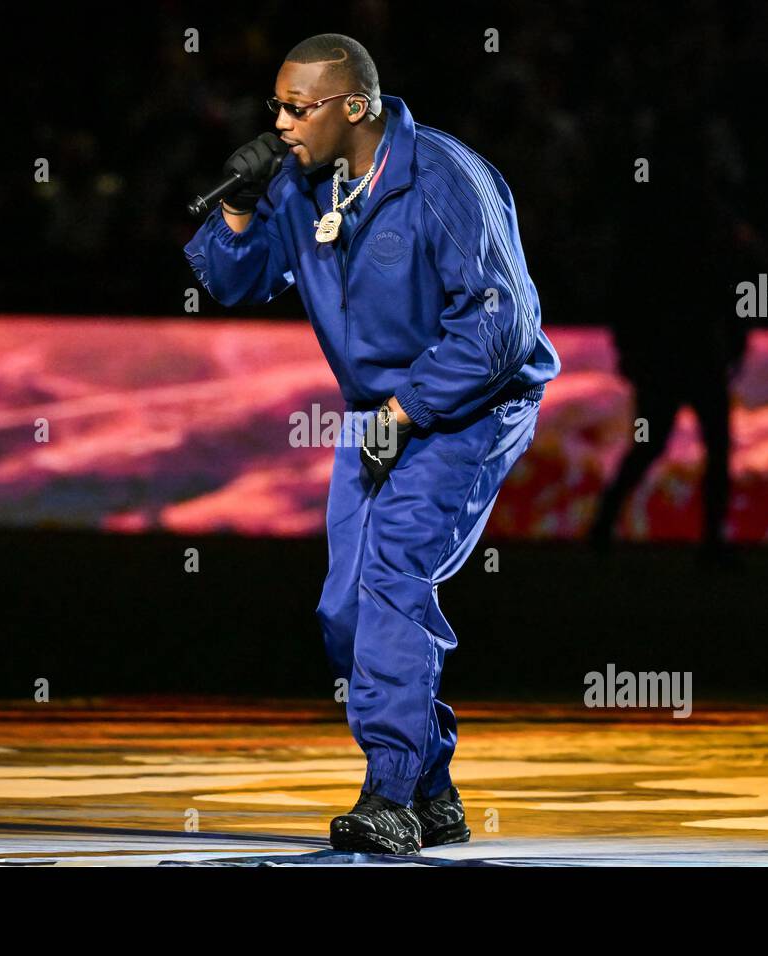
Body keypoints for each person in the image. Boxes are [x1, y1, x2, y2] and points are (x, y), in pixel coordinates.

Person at [184, 33, 559, 854]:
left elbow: (502, 322)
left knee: (393, 569)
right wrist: (240, 207)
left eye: (297, 106)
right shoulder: (299, 183)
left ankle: (388, 793)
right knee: (344, 608)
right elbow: (236, 279)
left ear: (356, 106)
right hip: (377, 414)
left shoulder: (442, 179)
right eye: (274, 105)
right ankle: (433, 792)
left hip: (472, 406)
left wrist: (411, 407)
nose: (278, 122)